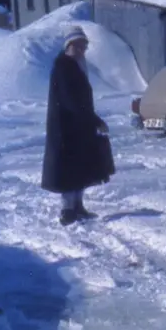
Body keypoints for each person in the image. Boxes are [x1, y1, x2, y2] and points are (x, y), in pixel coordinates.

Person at [41, 26, 114, 226]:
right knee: (68, 170)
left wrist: (90, 119)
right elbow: (71, 101)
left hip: (78, 126)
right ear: (69, 45)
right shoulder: (64, 67)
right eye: (79, 46)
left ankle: (78, 206)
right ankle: (67, 210)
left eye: (84, 46)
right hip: (66, 129)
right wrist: (93, 120)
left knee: (80, 167)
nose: (82, 50)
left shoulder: (76, 65)